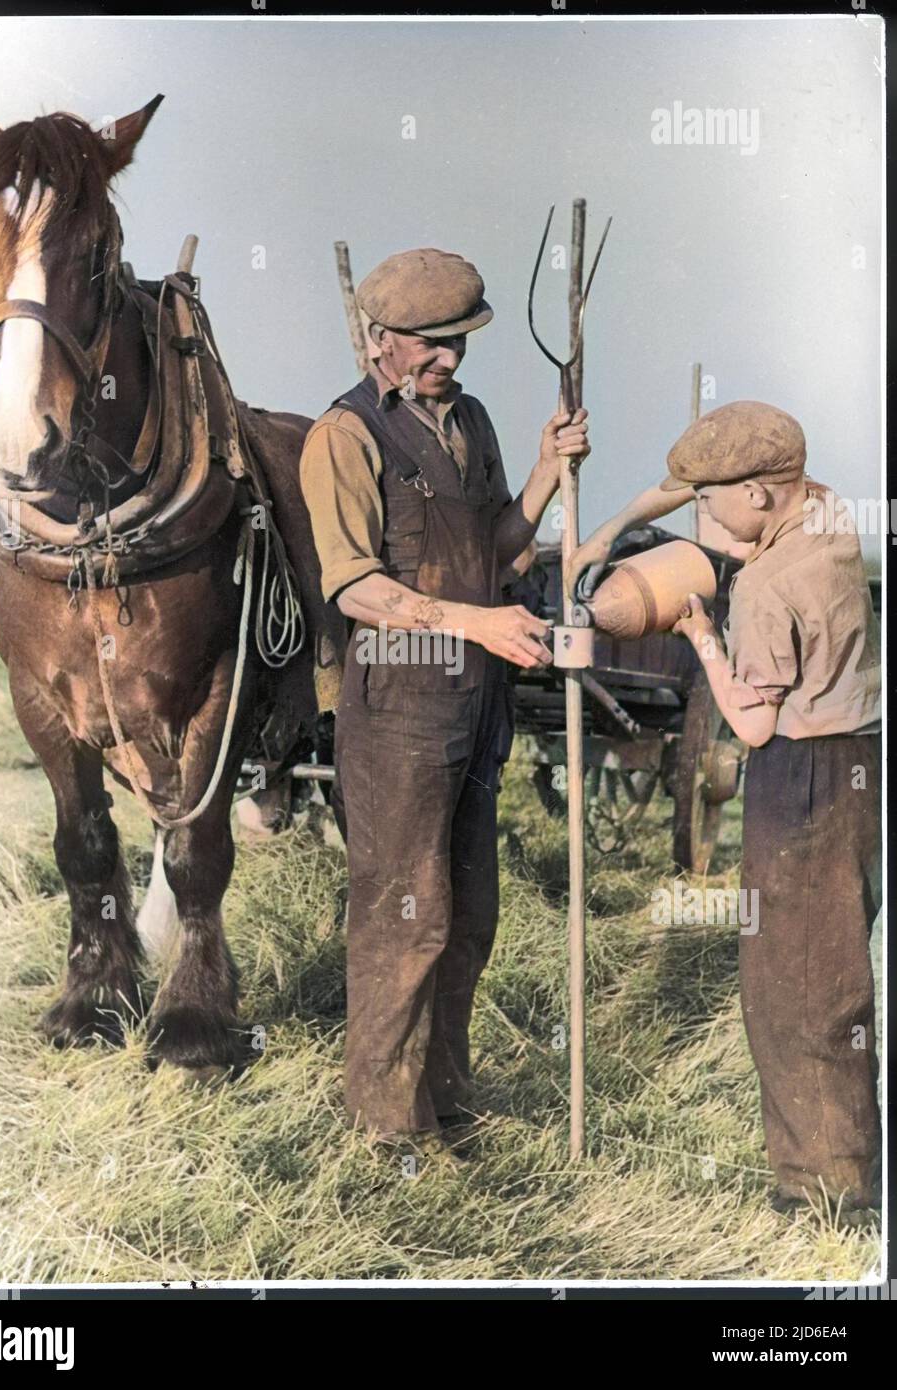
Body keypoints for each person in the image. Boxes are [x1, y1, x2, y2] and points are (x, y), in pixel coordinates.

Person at [299, 247, 590, 1150]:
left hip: (476, 703)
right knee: (403, 918)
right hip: (396, 713)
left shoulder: (474, 422)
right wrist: (476, 624)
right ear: (378, 340)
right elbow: (354, 588)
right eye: (430, 344)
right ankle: (385, 1131)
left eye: (459, 342)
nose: (449, 361)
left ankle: (446, 1105)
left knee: (468, 916)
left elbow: (502, 550)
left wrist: (544, 470)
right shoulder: (342, 437)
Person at [570, 400, 882, 1215]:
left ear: (761, 492)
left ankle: (824, 1194)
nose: (703, 515)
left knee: (794, 988)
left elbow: (749, 721)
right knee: (837, 976)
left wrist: (699, 635)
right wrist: (621, 528)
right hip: (858, 767)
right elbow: (719, 510)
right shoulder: (828, 514)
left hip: (802, 780)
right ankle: (844, 1171)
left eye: (714, 500)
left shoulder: (771, 587)